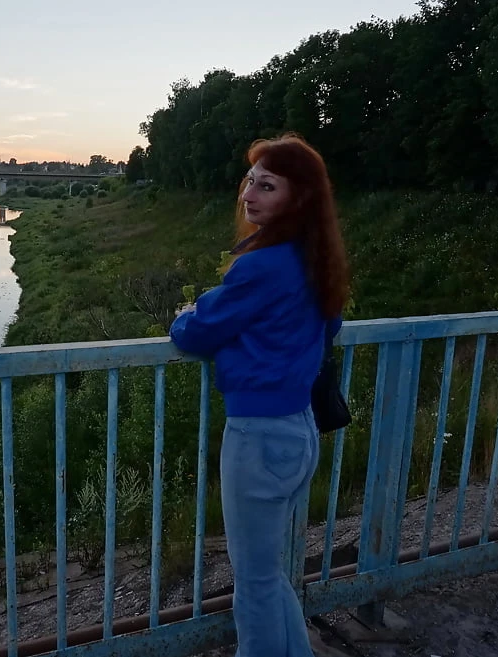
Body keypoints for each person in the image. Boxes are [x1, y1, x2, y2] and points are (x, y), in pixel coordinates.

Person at [169, 133, 350, 657]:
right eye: (250, 180)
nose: (250, 194)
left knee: (254, 583)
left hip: (258, 438)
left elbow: (199, 333)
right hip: (299, 433)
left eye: (267, 186)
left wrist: (185, 318)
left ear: (298, 199)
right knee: (270, 577)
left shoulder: (262, 264)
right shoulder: (314, 258)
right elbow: (329, 325)